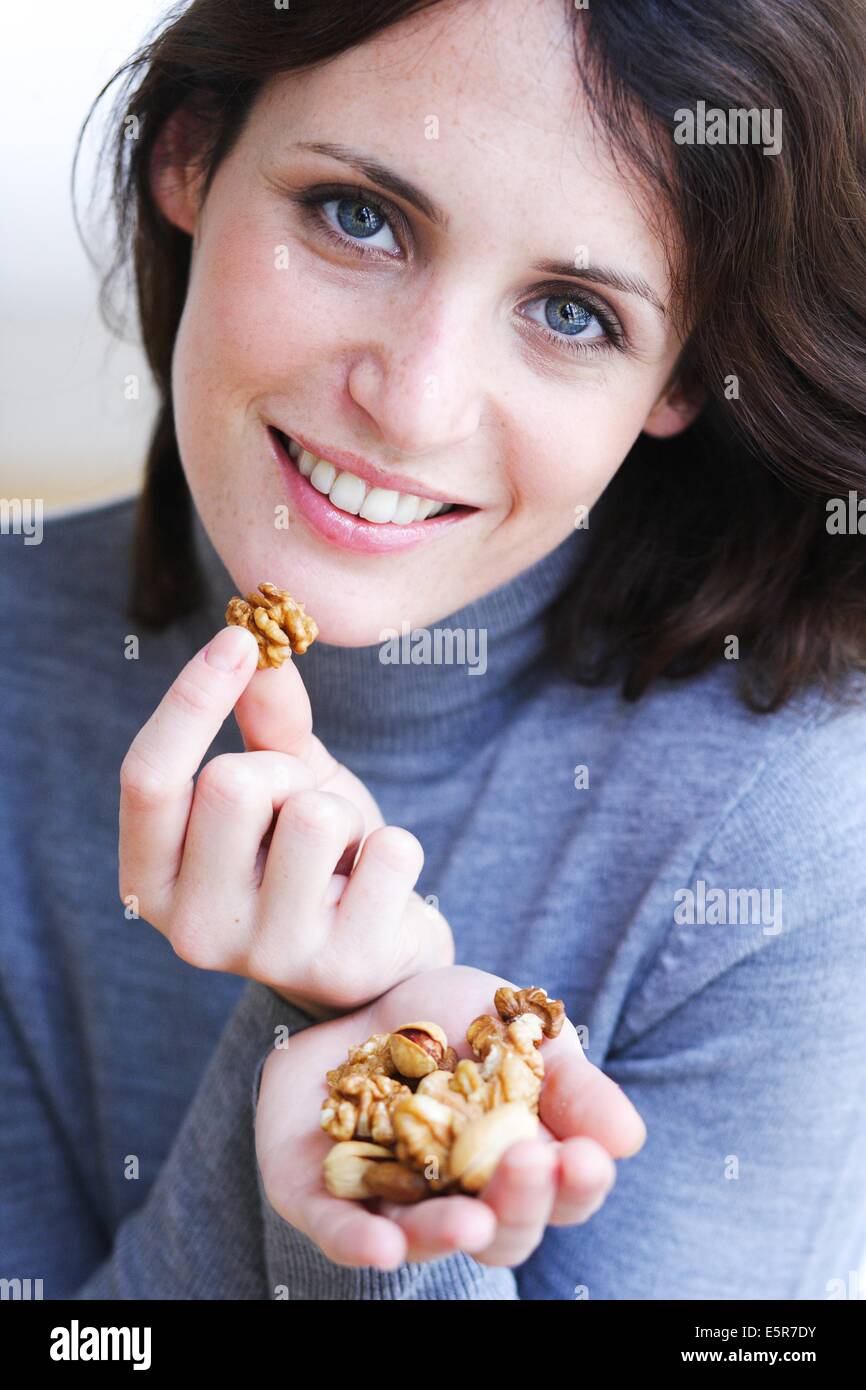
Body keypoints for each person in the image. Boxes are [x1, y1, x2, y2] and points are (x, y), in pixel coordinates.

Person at [2, 0, 865, 1300]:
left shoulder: (793, 829)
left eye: (572, 312)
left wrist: (376, 1151)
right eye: (358, 216)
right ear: (191, 151)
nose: (411, 403)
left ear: (680, 377)